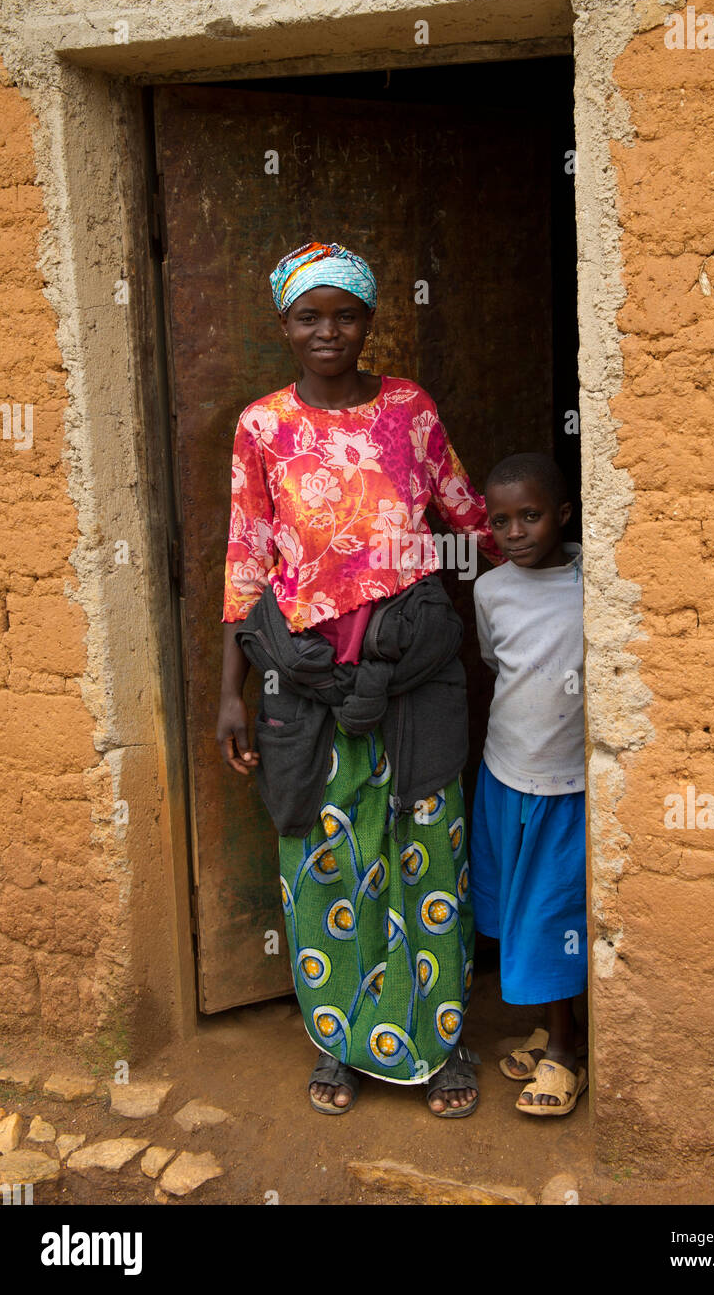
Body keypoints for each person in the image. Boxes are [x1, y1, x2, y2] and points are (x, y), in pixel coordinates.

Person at [217, 240, 503, 1117]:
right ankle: (339, 1040)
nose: (328, 331)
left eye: (346, 315)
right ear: (285, 325)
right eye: (310, 316)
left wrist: (545, 573)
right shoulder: (262, 426)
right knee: (328, 857)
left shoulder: (409, 409)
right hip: (306, 676)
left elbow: (465, 519)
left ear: (371, 321)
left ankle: (435, 1039)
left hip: (412, 670)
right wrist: (227, 691)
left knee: (425, 850)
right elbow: (247, 558)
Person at [470, 452, 589, 1116]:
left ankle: (566, 1052)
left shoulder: (592, 580)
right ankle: (552, 1024)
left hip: (565, 784)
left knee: (554, 914)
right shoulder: (491, 591)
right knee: (521, 907)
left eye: (532, 515)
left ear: (564, 514)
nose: (515, 531)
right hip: (505, 773)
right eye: (501, 520)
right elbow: (496, 660)